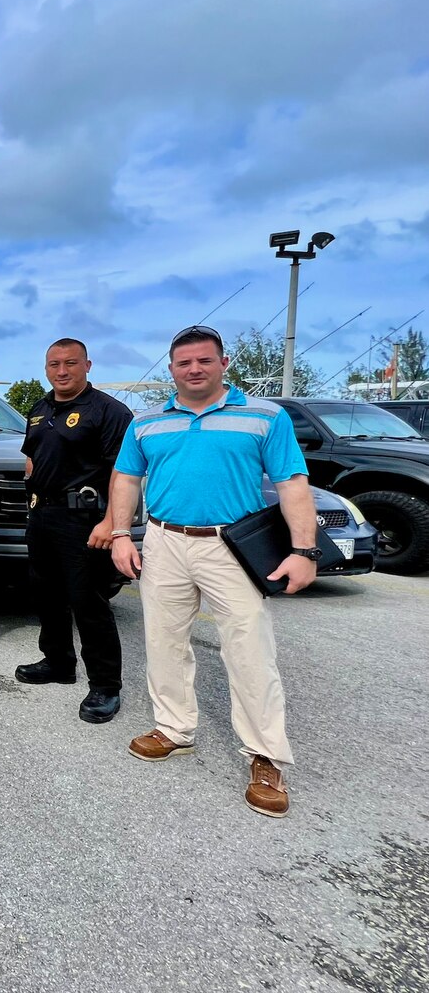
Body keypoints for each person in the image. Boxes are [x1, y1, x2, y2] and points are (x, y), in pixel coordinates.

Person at [108, 324, 319, 819]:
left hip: (231, 544)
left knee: (249, 648)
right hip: (163, 540)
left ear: (224, 364)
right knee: (163, 640)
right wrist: (120, 534)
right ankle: (174, 729)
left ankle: (264, 756)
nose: (194, 369)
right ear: (172, 369)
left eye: (204, 360)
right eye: (184, 363)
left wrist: (304, 551)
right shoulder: (146, 422)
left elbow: (292, 482)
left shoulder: (264, 416)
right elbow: (125, 478)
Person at [16, 338, 135, 723]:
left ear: (88, 365)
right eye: (54, 364)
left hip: (85, 521)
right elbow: (32, 457)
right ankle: (58, 662)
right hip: (43, 516)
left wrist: (111, 522)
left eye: (70, 363)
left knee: (88, 603)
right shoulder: (40, 408)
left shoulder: (109, 411)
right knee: (45, 594)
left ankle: (105, 686)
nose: (61, 371)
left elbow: (123, 472)